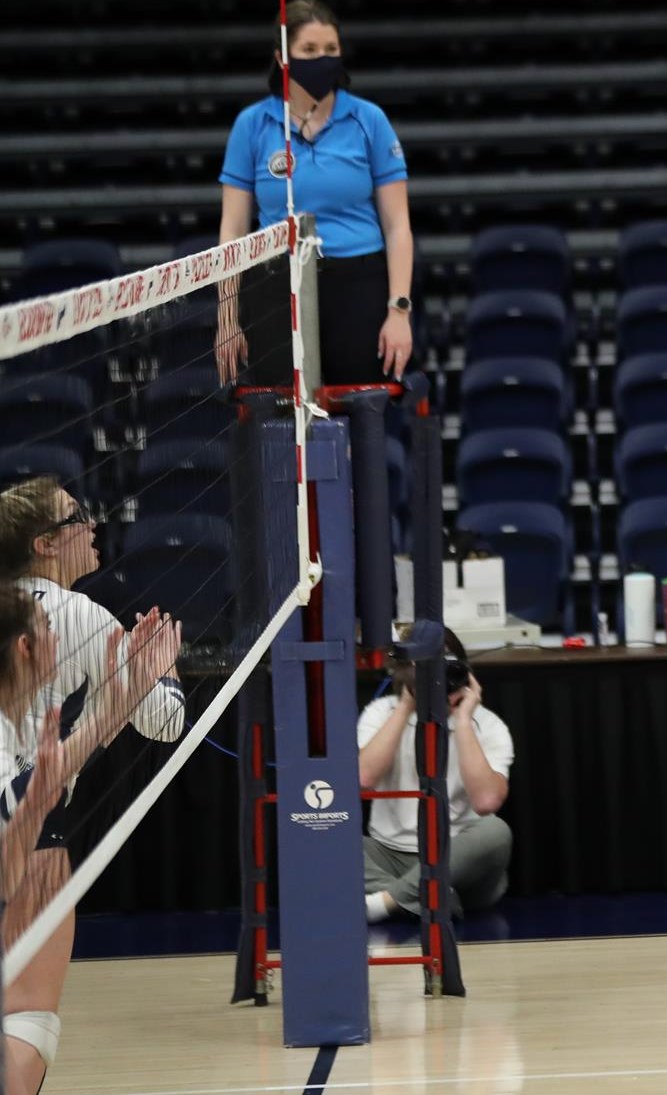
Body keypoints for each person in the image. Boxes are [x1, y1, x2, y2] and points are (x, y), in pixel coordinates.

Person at [0, 481, 186, 1093]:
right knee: (26, 1018)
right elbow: (164, 722)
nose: (93, 524)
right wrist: (165, 670)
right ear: (46, 544)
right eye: (77, 516)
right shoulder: (79, 615)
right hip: (26, 820)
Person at [215, 1, 414, 389]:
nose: (322, 58)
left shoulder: (369, 120)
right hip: (277, 285)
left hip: (358, 284)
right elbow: (233, 230)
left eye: (330, 49)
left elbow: (398, 225)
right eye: (309, 50)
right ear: (282, 57)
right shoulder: (251, 125)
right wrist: (227, 317)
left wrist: (399, 311)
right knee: (280, 413)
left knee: (360, 409)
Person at [357, 627, 513, 922]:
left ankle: (390, 901)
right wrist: (406, 705)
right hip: (389, 856)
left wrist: (463, 720)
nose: (435, 678)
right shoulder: (381, 713)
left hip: (460, 862)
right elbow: (363, 780)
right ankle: (431, 899)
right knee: (329, 835)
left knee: (496, 832)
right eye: (425, 669)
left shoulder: (488, 725)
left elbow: (486, 802)